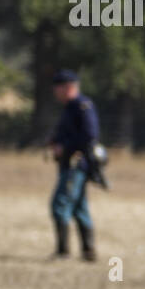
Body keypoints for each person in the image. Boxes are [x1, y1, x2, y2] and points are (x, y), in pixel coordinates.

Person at [46, 69, 100, 261]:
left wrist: (65, 147)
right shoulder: (70, 108)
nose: (55, 92)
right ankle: (88, 250)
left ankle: (63, 252)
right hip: (70, 165)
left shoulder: (81, 106)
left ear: (68, 87)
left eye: (58, 88)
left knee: (59, 204)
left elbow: (89, 136)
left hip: (76, 164)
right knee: (78, 207)